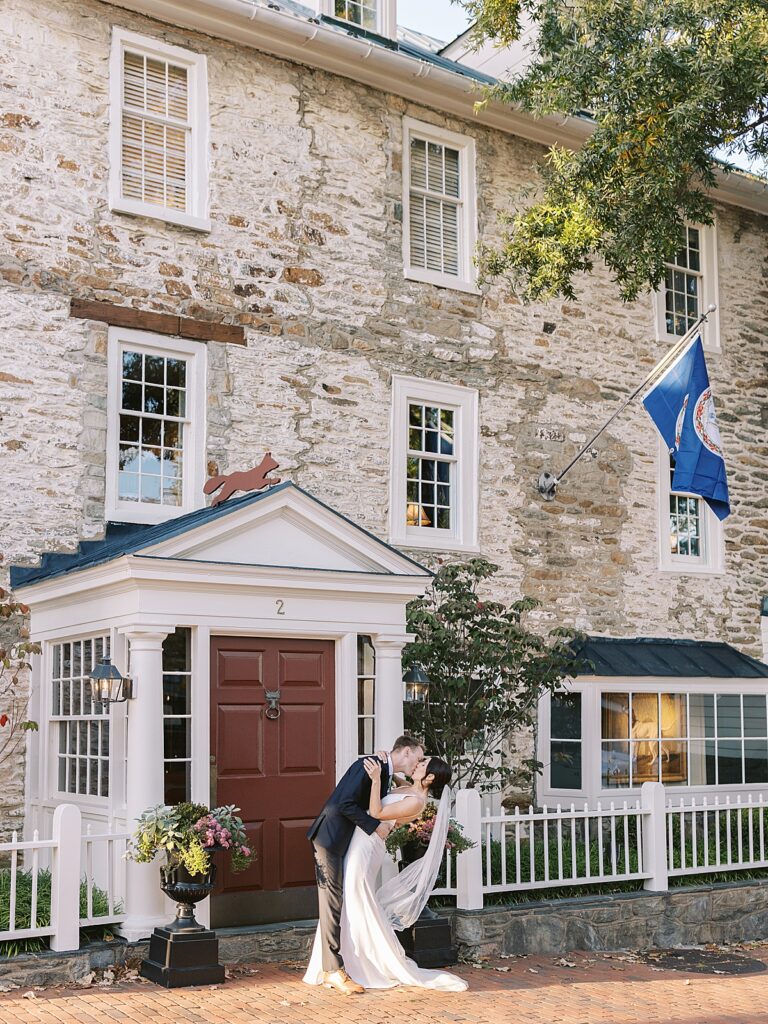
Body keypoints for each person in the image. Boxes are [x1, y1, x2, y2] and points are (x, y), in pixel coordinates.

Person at [304, 752, 468, 993]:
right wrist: (385, 760)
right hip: (360, 839)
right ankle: (336, 962)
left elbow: (377, 812)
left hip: (368, 845)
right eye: (419, 760)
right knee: (347, 898)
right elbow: (394, 774)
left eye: (422, 764)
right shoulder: (409, 788)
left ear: (430, 777)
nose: (418, 764)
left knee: (355, 894)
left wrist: (377, 780)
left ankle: (363, 963)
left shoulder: (417, 802)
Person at [305, 735, 424, 995]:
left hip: (344, 841)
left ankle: (333, 967)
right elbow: (343, 802)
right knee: (333, 901)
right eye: (417, 756)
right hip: (330, 838)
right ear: (406, 751)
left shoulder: (382, 771)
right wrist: (375, 826)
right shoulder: (370, 766)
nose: (418, 762)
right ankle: (333, 970)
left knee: (338, 901)